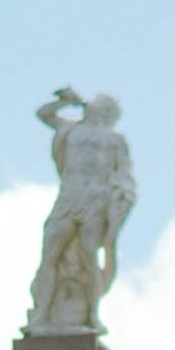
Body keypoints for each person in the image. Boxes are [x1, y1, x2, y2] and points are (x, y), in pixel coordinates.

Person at [26, 88, 136, 334]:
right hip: (68, 199)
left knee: (89, 256)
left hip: (95, 202)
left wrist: (122, 194)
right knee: (50, 256)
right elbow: (42, 114)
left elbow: (124, 174)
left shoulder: (115, 140)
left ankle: (92, 316)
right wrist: (67, 102)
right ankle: (42, 314)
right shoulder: (71, 129)